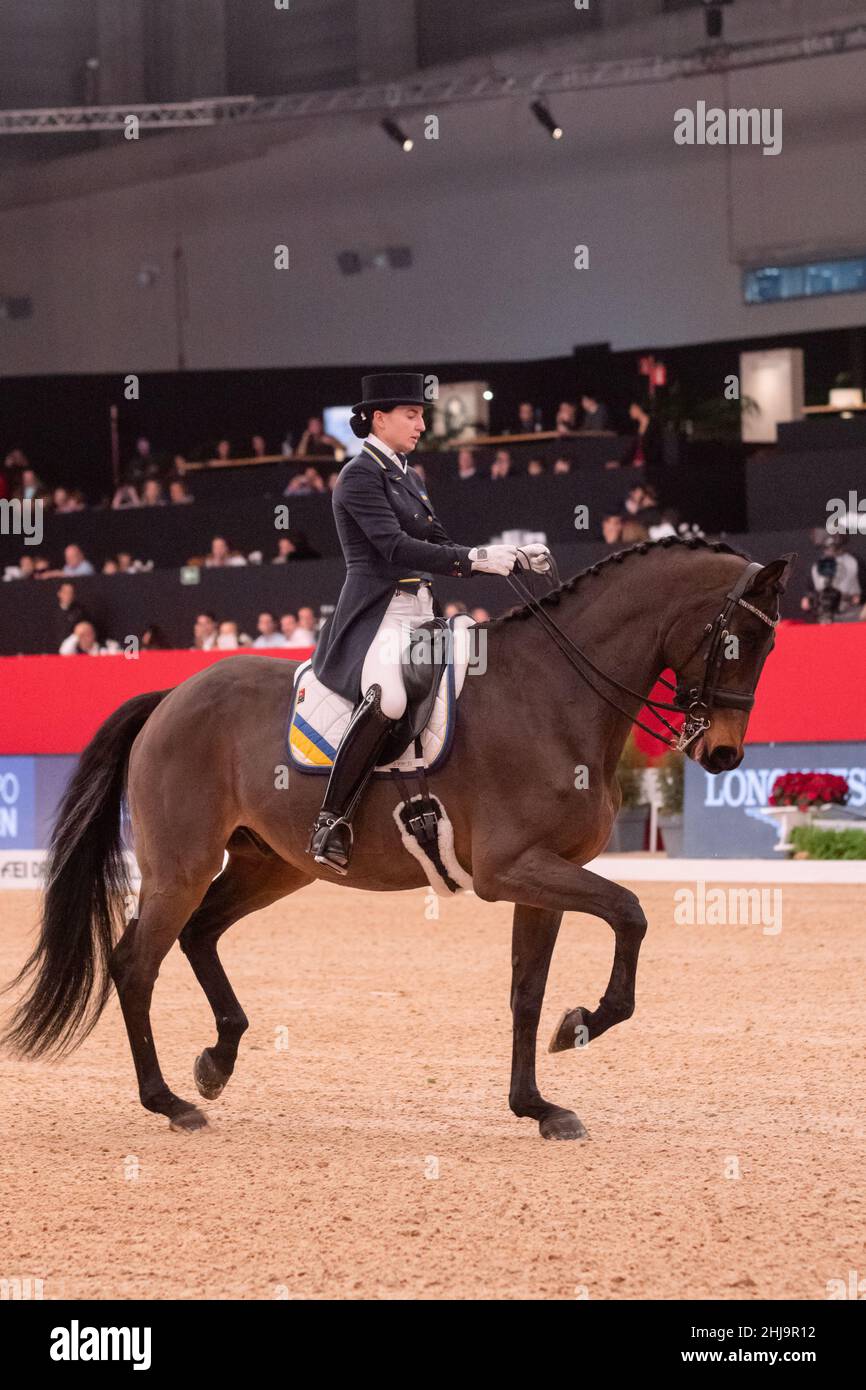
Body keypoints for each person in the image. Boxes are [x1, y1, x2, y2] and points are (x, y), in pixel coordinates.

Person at [307, 371, 551, 875]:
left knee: (479, 667)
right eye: (412, 415)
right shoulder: (358, 476)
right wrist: (478, 559)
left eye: (422, 415)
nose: (422, 424)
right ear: (380, 418)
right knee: (391, 698)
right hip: (377, 615)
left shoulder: (407, 477)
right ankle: (330, 821)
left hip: (422, 614)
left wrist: (508, 555)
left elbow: (439, 545)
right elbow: (394, 549)